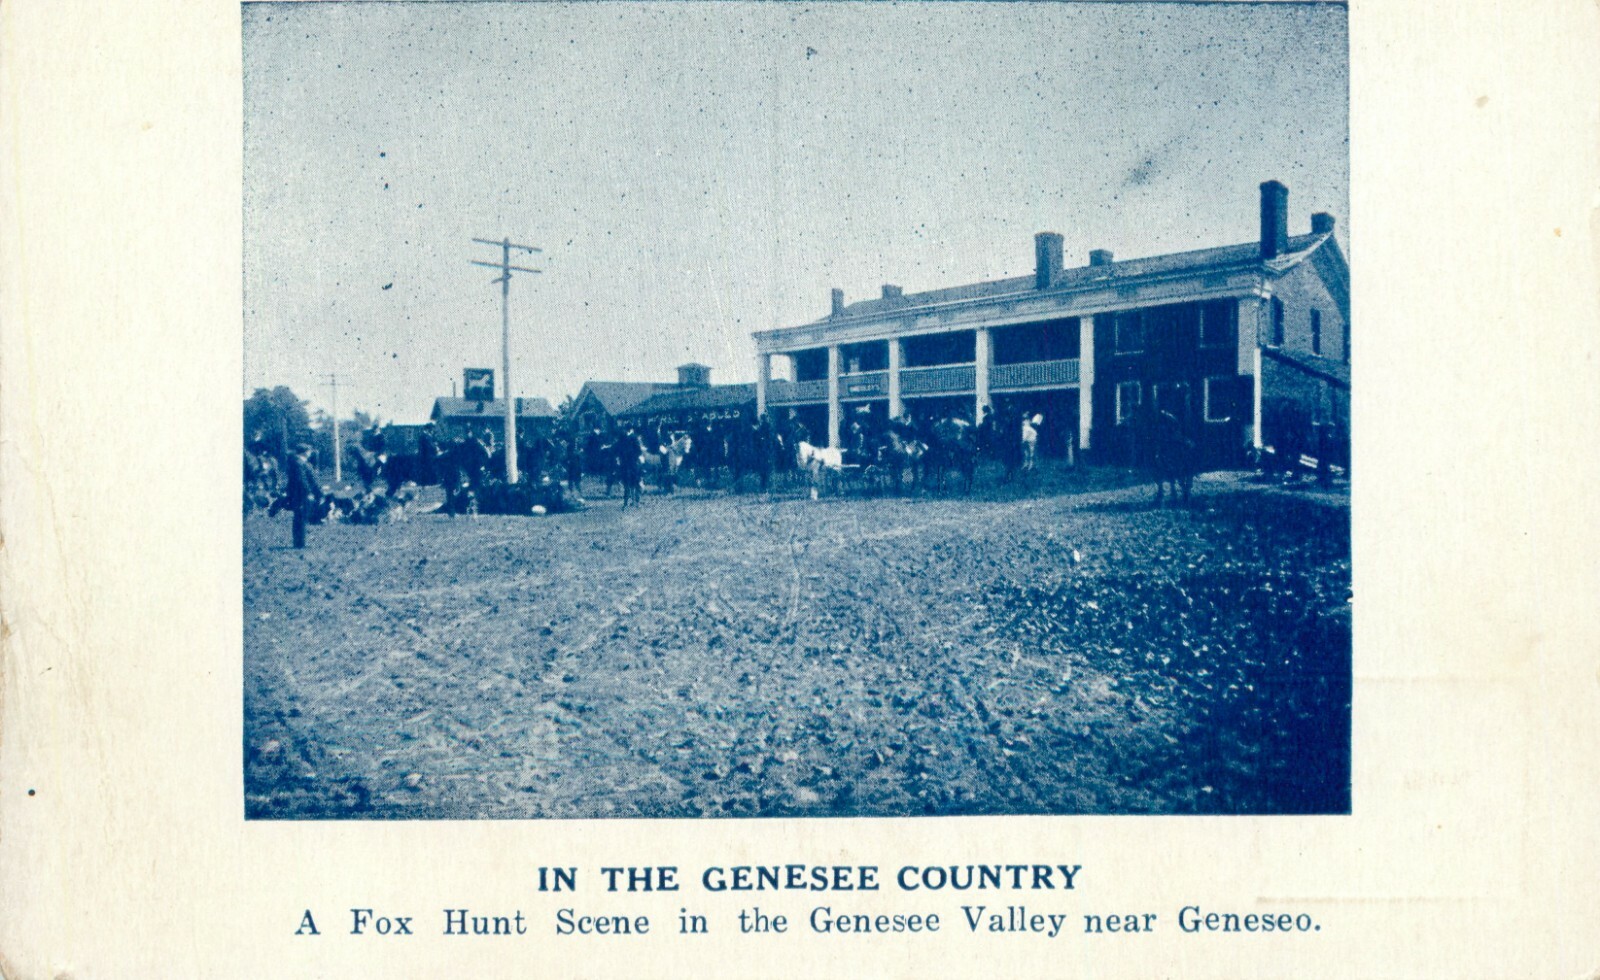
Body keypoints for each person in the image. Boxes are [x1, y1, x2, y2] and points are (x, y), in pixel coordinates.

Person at [283, 443, 320, 550]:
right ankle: (300, 544)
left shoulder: (297, 462)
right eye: (308, 451)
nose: (310, 453)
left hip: (298, 494)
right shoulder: (299, 463)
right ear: (304, 452)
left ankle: (299, 542)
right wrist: (308, 492)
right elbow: (301, 480)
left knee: (300, 518)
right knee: (301, 518)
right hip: (301, 495)